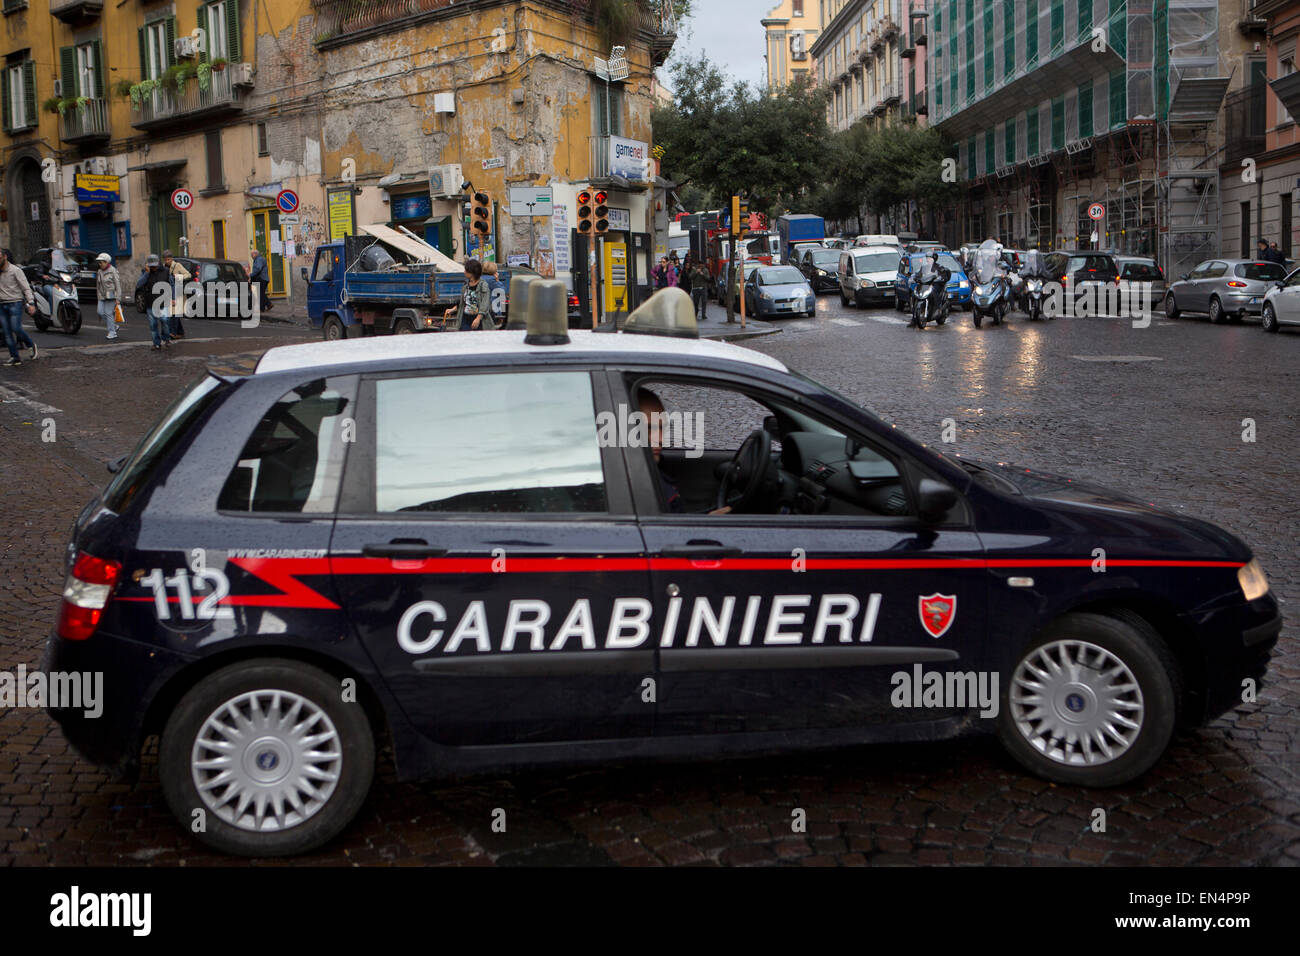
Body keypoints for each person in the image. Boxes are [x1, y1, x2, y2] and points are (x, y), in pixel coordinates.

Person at [639, 387, 730, 515]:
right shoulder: (633, 486)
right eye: (648, 429)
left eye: (662, 428)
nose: (660, 439)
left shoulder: (647, 473)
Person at [0, 247, 37, 366]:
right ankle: (15, 357)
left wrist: (30, 303)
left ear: (4, 257)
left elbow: (25, 287)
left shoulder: (15, 270)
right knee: (6, 332)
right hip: (1, 304)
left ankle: (30, 344)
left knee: (16, 328)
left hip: (15, 302)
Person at [442, 258, 493, 330]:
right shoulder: (466, 285)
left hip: (479, 320)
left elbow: (484, 305)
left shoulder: (483, 285)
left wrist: (478, 319)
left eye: (466, 270)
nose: (464, 272)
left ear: (472, 273)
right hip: (465, 319)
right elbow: (463, 302)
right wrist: (452, 309)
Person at [142, 254, 173, 351]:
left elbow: (171, 285)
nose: (153, 268)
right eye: (151, 266)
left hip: (163, 301)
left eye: (154, 266)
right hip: (150, 302)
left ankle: (166, 338)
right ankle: (156, 343)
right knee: (153, 325)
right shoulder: (146, 273)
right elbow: (139, 284)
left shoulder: (166, 271)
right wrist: (146, 273)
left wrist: (173, 298)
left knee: (165, 321)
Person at [161, 249, 191, 338]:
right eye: (165, 259)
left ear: (172, 259)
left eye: (168, 259)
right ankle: (180, 332)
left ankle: (172, 333)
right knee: (174, 313)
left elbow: (188, 275)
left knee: (174, 313)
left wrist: (178, 277)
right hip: (169, 293)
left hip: (178, 292)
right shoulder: (163, 267)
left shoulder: (177, 265)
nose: (167, 261)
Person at [94, 251, 122, 341]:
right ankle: (114, 326)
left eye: (101, 262)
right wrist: (98, 296)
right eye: (99, 262)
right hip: (101, 296)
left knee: (108, 313)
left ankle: (112, 332)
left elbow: (118, 285)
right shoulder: (99, 271)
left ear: (106, 262)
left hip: (111, 296)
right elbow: (98, 286)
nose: (99, 264)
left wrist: (118, 298)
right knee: (100, 312)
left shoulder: (113, 271)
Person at [482, 260, 505, 325]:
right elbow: (501, 291)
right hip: (492, 309)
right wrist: (497, 280)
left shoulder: (480, 278)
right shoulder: (492, 280)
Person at [249, 244, 272, 311]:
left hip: (262, 279)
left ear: (255, 254)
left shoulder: (258, 259)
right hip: (264, 278)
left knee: (260, 294)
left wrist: (251, 275)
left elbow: (258, 269)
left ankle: (263, 308)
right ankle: (269, 304)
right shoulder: (258, 259)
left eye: (252, 254)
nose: (251, 256)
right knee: (261, 293)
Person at [688, 255, 709, 322]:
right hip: (696, 288)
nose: (701, 266)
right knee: (696, 302)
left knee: (704, 301)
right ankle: (695, 314)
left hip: (703, 288)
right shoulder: (694, 269)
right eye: (700, 264)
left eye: (702, 264)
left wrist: (703, 274)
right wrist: (696, 272)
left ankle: (703, 314)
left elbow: (708, 278)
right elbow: (690, 277)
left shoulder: (705, 270)